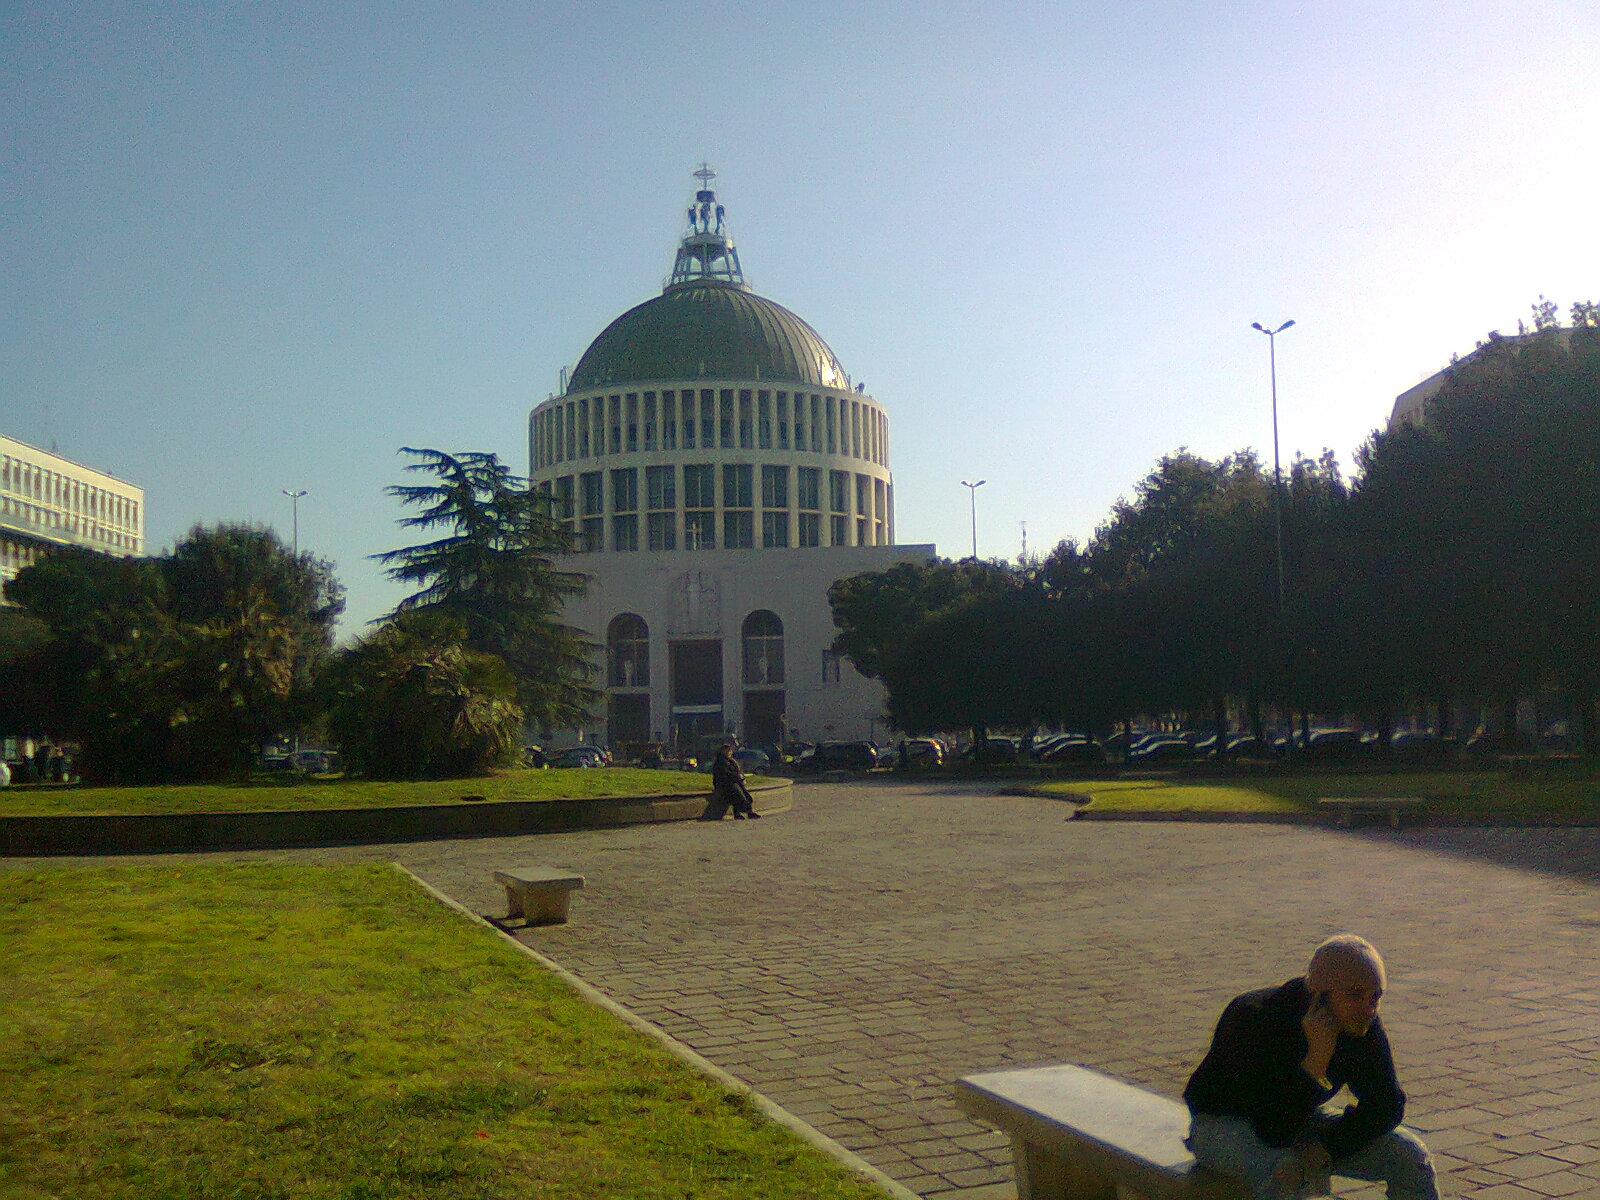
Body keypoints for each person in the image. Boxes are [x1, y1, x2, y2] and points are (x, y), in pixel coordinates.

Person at [1184, 935, 1438, 1200]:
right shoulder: (1254, 1017)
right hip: (1222, 1126)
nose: (1368, 1009)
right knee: (1288, 1172)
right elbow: (1272, 1129)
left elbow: (1387, 1104)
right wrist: (1315, 1063)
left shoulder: (1361, 1023)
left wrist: (1328, 1146)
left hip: (1295, 1121)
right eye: (1354, 995)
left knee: (1411, 1156)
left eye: (1375, 997)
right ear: (1317, 995)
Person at [699, 744, 760, 821]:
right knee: (738, 794)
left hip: (734, 781)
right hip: (725, 784)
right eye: (728, 751)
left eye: (730, 751)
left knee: (744, 794)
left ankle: (744, 812)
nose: (730, 752)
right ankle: (746, 812)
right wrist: (737, 777)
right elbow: (724, 774)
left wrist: (740, 777)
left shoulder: (731, 761)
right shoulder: (720, 761)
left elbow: (737, 771)